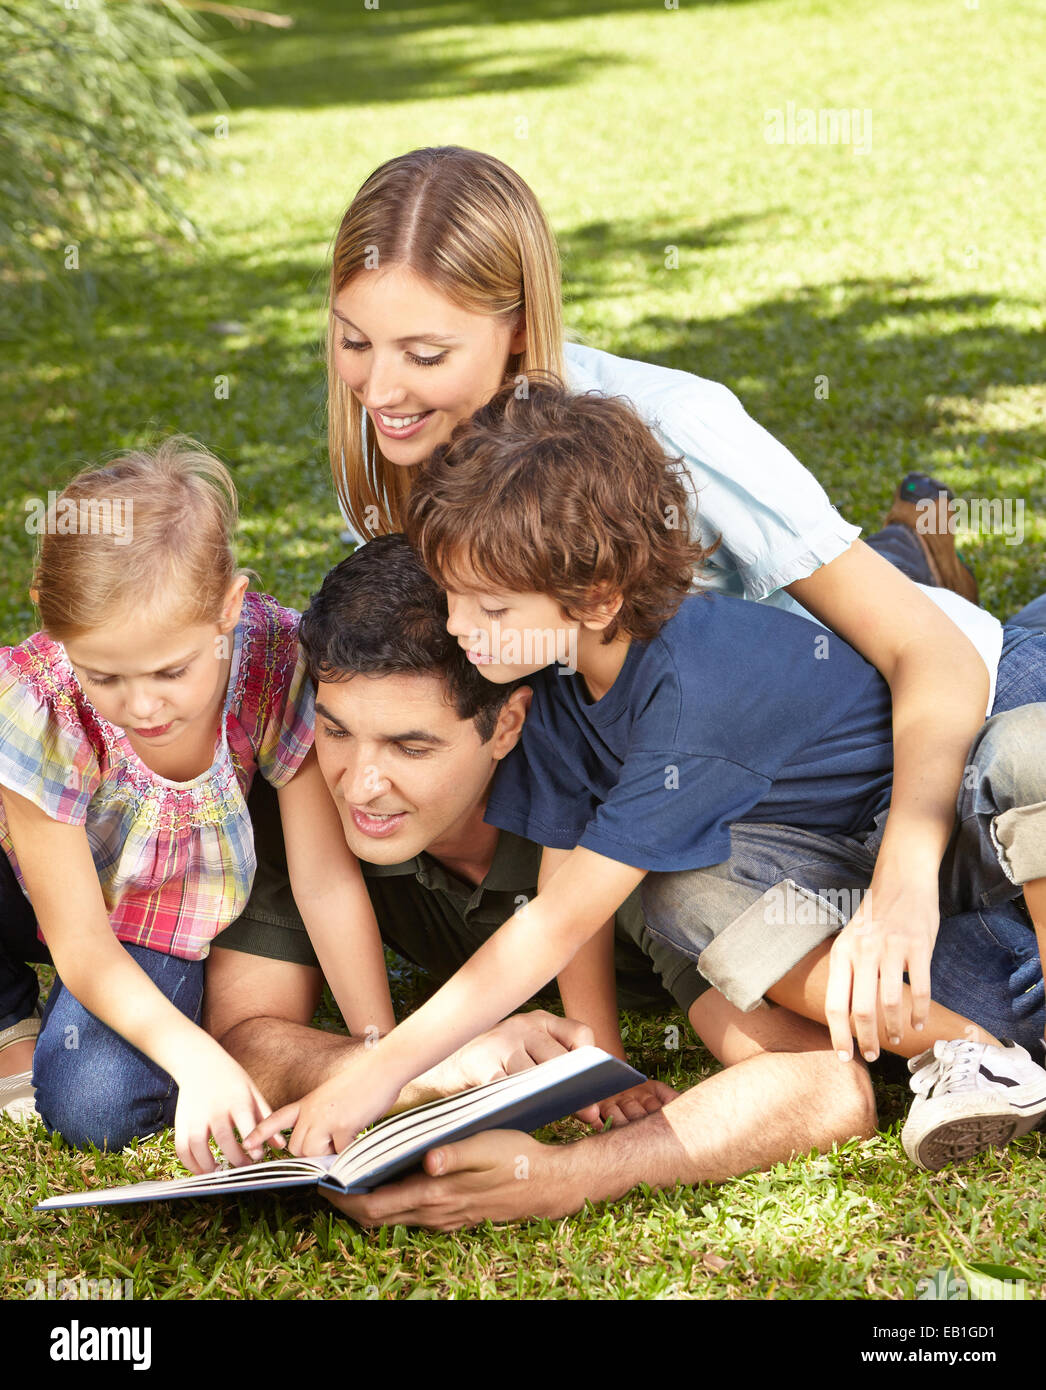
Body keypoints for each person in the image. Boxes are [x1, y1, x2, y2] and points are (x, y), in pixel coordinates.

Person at [244, 377, 1046, 1178]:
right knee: (678, 892)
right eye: (455, 596)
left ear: (594, 598)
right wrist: (596, 1060)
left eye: (489, 610)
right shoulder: (559, 682)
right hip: (822, 864)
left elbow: (549, 926)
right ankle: (970, 1051)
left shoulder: (686, 697)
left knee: (1030, 747)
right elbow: (562, 876)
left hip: (952, 833)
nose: (458, 627)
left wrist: (372, 1078)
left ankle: (988, 1049)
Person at [203, 534, 875, 1213]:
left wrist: (567, 1175)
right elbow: (243, 1041)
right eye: (337, 728)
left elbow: (823, 1081)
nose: (361, 784)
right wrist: (421, 1069)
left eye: (412, 745)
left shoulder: (622, 830)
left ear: (507, 725)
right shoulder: (304, 791)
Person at [0, 440, 396, 1173]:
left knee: (94, 1104)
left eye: (171, 671)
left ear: (228, 609)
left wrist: (381, 1051)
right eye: (105, 675)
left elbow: (323, 881)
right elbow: (80, 943)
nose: (142, 705)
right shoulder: (41, 702)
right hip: (39, 890)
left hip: (150, 903)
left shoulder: (274, 664)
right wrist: (194, 1056)